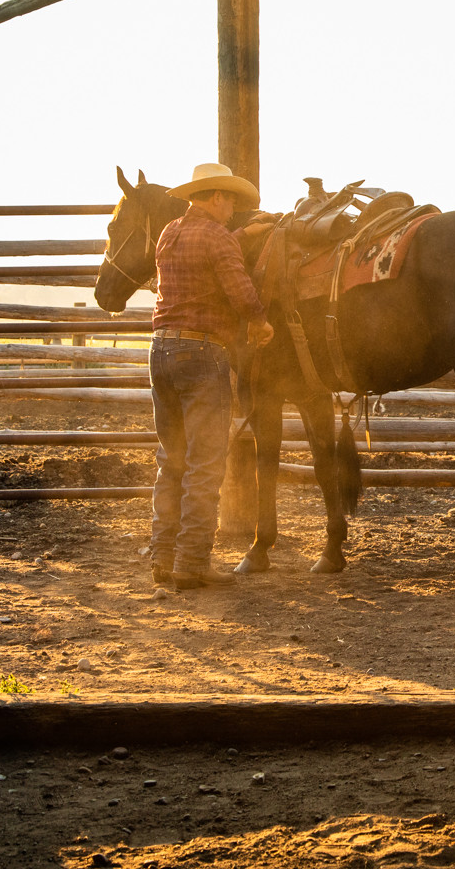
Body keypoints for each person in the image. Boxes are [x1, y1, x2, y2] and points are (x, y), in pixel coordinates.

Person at [148, 162, 275, 590]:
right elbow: (238, 288)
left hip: (161, 348)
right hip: (203, 352)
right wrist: (260, 323)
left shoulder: (170, 232)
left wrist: (239, 237)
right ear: (216, 196)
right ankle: (193, 564)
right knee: (205, 464)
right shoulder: (217, 236)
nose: (233, 207)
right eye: (230, 200)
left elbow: (200, 260)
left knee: (172, 460)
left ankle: (163, 558)